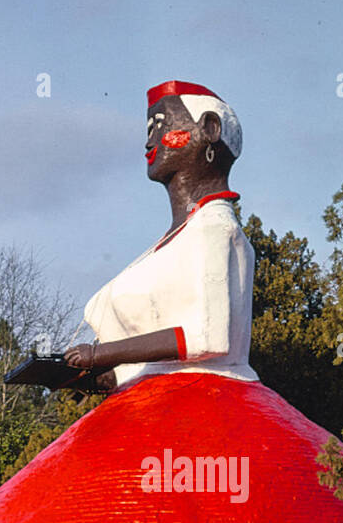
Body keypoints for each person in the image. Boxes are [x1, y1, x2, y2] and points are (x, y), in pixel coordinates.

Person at [64, 81, 258, 392]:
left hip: (204, 395)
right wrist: (107, 377)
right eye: (149, 130)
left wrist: (100, 355)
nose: (149, 143)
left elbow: (207, 336)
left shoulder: (215, 230)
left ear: (210, 129)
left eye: (160, 126)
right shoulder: (176, 238)